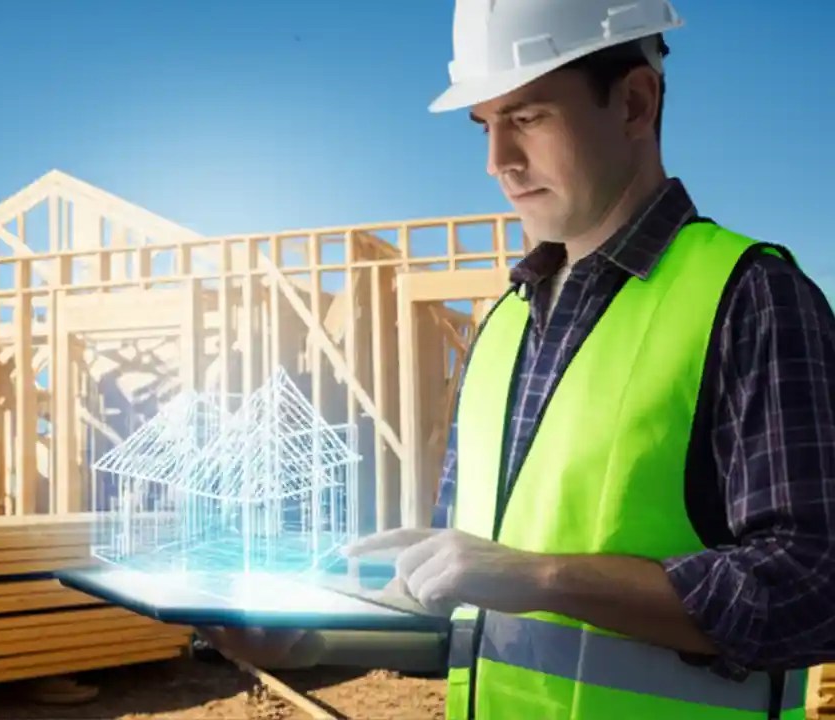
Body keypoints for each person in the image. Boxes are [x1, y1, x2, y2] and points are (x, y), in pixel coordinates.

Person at [199, 1, 835, 718]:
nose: (497, 161)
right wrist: (314, 647)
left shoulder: (749, 299)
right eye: (485, 125)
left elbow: (813, 588)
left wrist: (544, 578)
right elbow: (476, 615)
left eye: (527, 117)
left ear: (633, 103)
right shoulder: (504, 327)